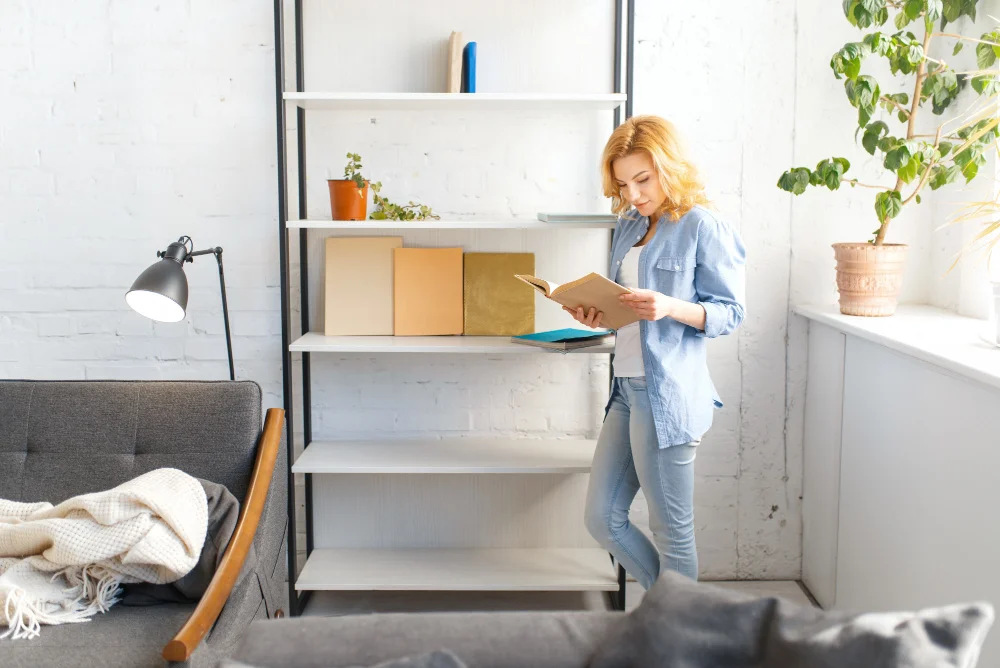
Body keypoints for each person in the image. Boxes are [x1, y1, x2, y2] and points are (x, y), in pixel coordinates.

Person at [566, 115, 746, 588]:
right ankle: (669, 617)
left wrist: (670, 306)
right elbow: (628, 311)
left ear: (669, 165)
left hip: (666, 395)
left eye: (642, 179)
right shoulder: (629, 227)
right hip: (625, 389)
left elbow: (729, 313)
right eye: (624, 184)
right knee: (603, 519)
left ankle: (682, 645)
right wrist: (596, 315)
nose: (634, 194)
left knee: (672, 533)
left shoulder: (703, 226)